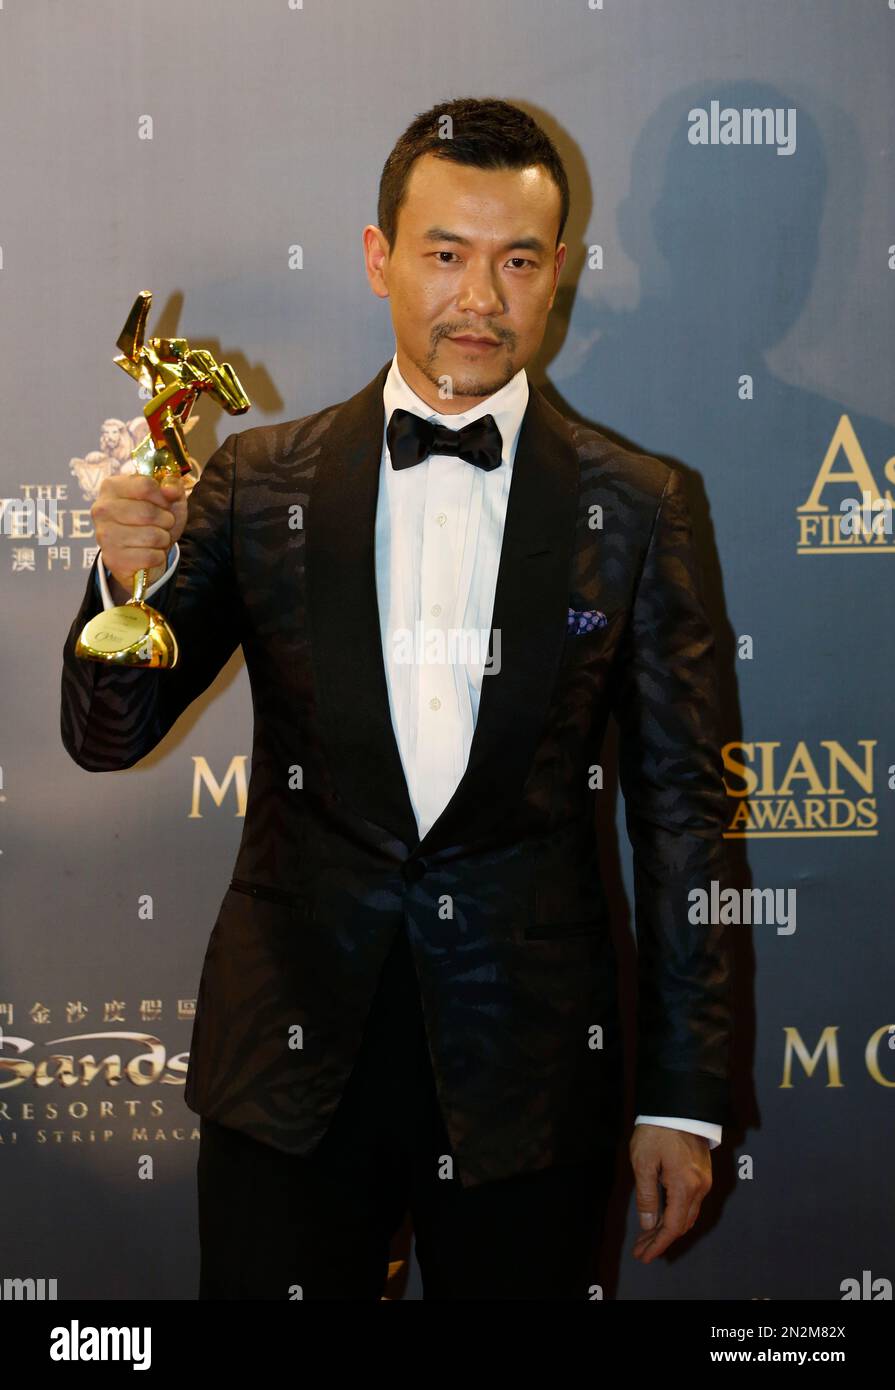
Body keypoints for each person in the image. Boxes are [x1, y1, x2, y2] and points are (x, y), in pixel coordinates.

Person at [61, 96, 732, 1300]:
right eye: (443, 255)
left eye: (516, 261)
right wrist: (124, 579)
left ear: (560, 273)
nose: (479, 298)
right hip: (292, 1068)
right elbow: (109, 737)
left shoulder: (637, 507)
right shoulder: (260, 485)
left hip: (530, 1078)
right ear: (379, 260)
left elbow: (686, 824)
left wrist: (684, 1096)